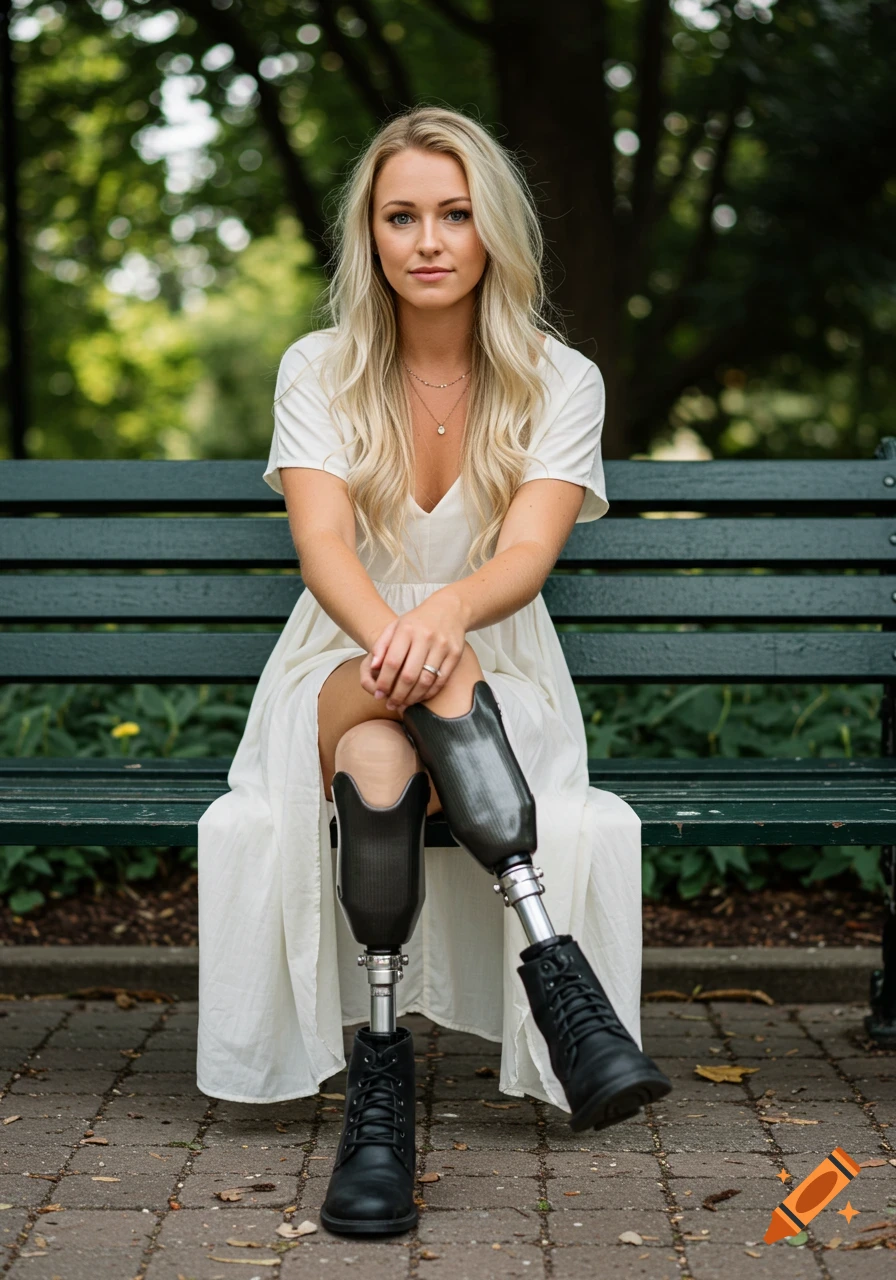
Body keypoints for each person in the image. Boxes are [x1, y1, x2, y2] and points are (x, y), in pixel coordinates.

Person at [196, 103, 671, 1238]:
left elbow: (525, 554)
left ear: (491, 230)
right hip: (340, 654)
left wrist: (445, 615)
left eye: (452, 214)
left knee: (380, 749)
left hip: (492, 664)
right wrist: (402, 639)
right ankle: (558, 977)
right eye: (399, 215)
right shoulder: (318, 365)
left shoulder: (561, 378)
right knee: (384, 702)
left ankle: (378, 1082)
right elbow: (320, 548)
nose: (426, 239)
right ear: (368, 236)